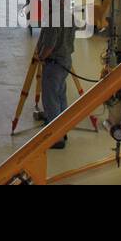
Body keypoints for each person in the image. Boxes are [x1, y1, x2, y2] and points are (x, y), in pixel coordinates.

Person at [35, 9, 78, 148]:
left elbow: (49, 45)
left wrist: (41, 57)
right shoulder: (68, 15)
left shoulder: (52, 20)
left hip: (54, 64)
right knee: (60, 96)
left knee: (51, 99)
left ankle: (56, 138)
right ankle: (62, 130)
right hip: (65, 61)